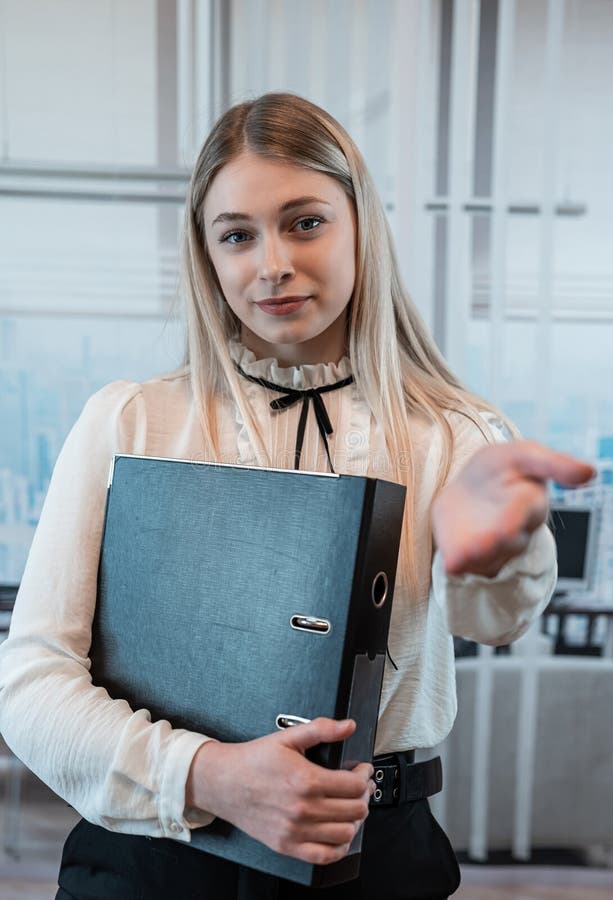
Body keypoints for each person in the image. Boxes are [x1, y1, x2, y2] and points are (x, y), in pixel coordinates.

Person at [0, 93, 593, 900]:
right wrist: (205, 775)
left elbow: (496, 619)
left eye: (304, 221)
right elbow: (32, 680)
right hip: (155, 855)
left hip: (377, 855)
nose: (270, 262)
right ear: (206, 256)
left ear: (360, 227)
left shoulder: (454, 433)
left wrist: (507, 548)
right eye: (236, 235)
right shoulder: (130, 419)